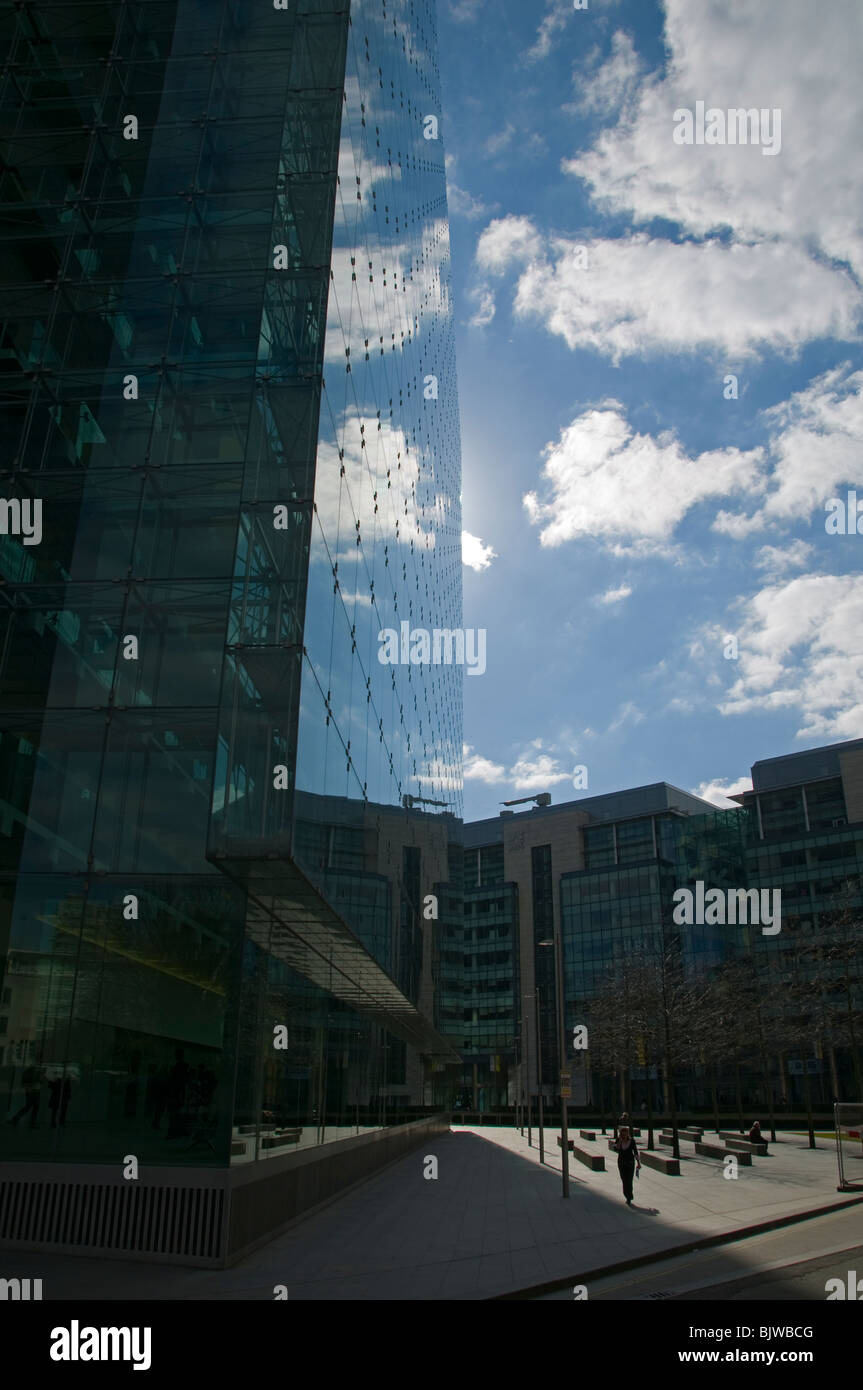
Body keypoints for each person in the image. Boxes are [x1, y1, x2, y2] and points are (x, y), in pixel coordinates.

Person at [612, 1124, 641, 1205]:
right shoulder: (618, 1140)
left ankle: (629, 1197)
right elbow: (616, 1148)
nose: (624, 1133)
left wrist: (639, 1163)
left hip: (630, 1162)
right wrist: (620, 1141)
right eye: (623, 1132)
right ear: (621, 1133)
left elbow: (635, 1152)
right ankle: (626, 1194)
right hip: (621, 1162)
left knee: (629, 1180)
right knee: (624, 1180)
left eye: (625, 1132)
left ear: (627, 1132)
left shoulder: (632, 1141)